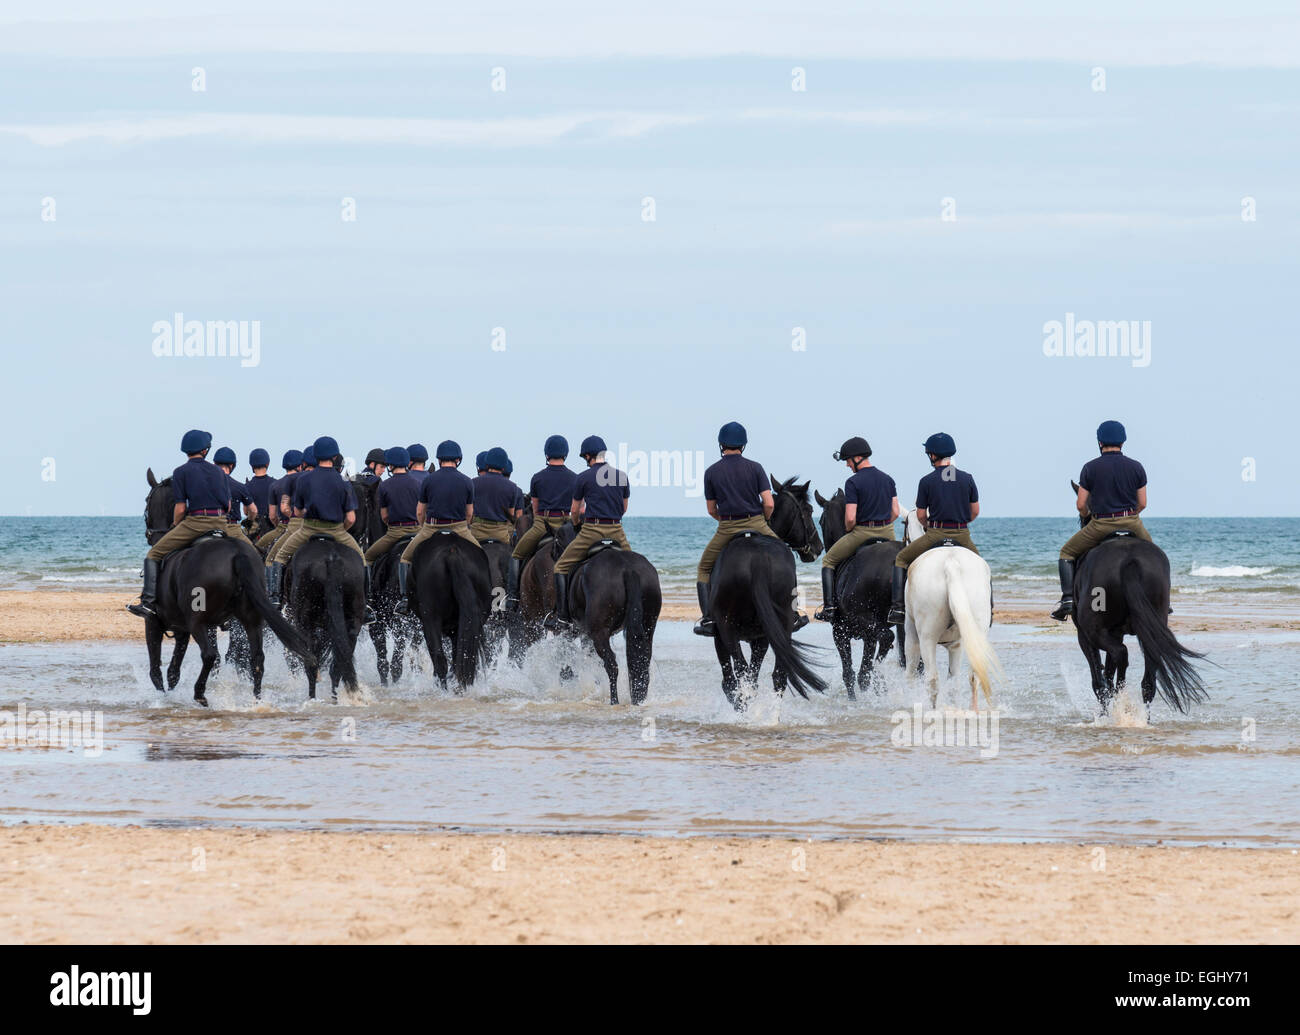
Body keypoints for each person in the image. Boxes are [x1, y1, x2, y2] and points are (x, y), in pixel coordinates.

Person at [1050, 420, 1153, 621]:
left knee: (1067, 552)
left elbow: (1081, 505)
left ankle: (1068, 600)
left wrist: (1088, 514)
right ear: (1123, 442)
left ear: (1100, 442)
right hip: (1132, 522)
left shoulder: (1090, 468)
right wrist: (1130, 515)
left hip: (1101, 524)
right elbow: (1142, 503)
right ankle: (1163, 602)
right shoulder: (1136, 467)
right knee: (1155, 556)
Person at [265, 435, 374, 622]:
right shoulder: (343, 482)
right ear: (334, 457)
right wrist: (342, 529)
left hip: (307, 530)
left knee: (280, 557)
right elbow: (351, 518)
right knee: (362, 560)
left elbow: (297, 512)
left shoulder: (304, 480)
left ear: (315, 456)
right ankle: (366, 604)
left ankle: (275, 598)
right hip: (338, 531)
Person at [127, 430, 231, 618]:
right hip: (222, 523)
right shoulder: (218, 471)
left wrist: (176, 525)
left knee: (154, 553)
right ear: (205, 450)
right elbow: (228, 505)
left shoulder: (181, 472)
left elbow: (181, 508)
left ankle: (148, 602)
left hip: (196, 523)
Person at [692, 421, 778, 636]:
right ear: (743, 445)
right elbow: (769, 503)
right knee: (784, 555)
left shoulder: (711, 471)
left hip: (728, 526)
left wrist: (726, 520)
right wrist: (763, 521)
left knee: (704, 569)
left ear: (721, 444)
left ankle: (709, 618)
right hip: (758, 522)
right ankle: (794, 611)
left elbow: (711, 509)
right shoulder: (756, 467)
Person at [888, 433, 980, 625]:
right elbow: (975, 511)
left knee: (901, 559)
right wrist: (960, 523)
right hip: (963, 534)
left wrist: (931, 526)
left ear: (933, 456)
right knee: (982, 567)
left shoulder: (927, 481)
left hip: (935, 533)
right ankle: (988, 608)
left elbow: (921, 515)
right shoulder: (967, 478)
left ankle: (897, 608)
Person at [545, 436, 631, 631]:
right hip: (617, 530)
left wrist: (576, 526)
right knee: (633, 566)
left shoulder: (583, 477)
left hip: (592, 530)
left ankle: (563, 617)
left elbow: (575, 511)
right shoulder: (621, 476)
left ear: (587, 456)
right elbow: (624, 508)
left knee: (561, 566)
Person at [815, 436, 899, 622]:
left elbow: (851, 518)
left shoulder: (853, 482)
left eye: (847, 460)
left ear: (856, 458)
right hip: (888, 532)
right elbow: (895, 511)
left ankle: (829, 608)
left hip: (862, 532)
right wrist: (884, 523)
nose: (847, 465)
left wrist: (850, 528)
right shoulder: (888, 479)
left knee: (828, 561)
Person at [394, 440, 478, 615]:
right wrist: (465, 526)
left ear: (439, 460)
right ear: (458, 460)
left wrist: (423, 527)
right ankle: (484, 598)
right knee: (481, 556)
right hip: (460, 527)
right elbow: (469, 513)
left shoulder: (429, 480)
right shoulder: (467, 481)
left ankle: (403, 599)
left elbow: (419, 511)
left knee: (405, 558)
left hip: (432, 527)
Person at [506, 435, 577, 611]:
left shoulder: (537, 478)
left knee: (517, 554)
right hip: (566, 524)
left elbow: (535, 508)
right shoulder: (575, 478)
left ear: (547, 454)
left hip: (541, 523)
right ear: (565, 454)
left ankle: (513, 598)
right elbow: (576, 508)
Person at [363, 446, 422, 563]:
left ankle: (369, 581)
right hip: (417, 531)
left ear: (391, 465)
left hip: (395, 532)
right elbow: (421, 511)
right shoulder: (418, 484)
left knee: (368, 556)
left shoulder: (384, 485)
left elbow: (384, 516)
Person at [264, 444, 315, 566]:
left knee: (271, 560)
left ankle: (272, 585)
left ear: (303, 463)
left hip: (295, 526)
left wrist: (295, 516)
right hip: (324, 526)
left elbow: (283, 509)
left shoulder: (289, 480)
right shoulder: (328, 478)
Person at [470, 447, 521, 545]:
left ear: (487, 464)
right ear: (504, 467)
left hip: (477, 532)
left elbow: (469, 511)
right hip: (500, 533)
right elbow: (510, 515)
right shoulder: (512, 487)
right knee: (514, 555)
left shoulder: (474, 483)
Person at [256, 450, 302, 551]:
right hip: (304, 526)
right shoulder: (304, 481)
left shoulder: (275, 485)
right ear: (300, 466)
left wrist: (279, 526)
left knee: (259, 548)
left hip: (284, 525)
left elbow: (272, 516)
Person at [212, 446, 257, 543]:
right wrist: (249, 521)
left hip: (211, 527)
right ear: (232, 465)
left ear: (214, 464)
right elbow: (253, 510)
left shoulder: (207, 484)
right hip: (233, 530)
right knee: (255, 554)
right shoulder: (240, 487)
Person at [245, 448, 275, 534]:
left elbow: (246, 511)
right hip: (271, 527)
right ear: (267, 463)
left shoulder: (247, 486)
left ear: (251, 465)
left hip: (254, 528)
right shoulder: (276, 484)